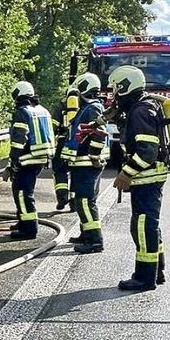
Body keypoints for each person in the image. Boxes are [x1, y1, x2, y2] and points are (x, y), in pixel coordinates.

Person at [107, 65, 170, 291]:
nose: (113, 94)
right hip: (149, 177)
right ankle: (157, 271)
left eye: (115, 89)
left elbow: (146, 151)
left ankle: (144, 278)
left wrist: (126, 173)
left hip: (147, 177)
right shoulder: (142, 107)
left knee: (143, 227)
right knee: (149, 225)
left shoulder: (141, 110)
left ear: (125, 87)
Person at [5, 81, 54, 239]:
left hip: (27, 159)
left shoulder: (22, 112)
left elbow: (18, 140)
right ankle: (23, 221)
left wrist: (12, 164)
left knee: (22, 193)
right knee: (21, 190)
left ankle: (29, 229)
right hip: (40, 158)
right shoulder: (42, 110)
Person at [65, 73, 107, 254]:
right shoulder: (89, 108)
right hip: (82, 164)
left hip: (86, 165)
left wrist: (93, 156)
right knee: (84, 200)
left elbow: (100, 133)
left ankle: (94, 240)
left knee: (85, 201)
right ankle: (86, 234)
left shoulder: (92, 109)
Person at [49, 84, 80, 210]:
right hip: (77, 143)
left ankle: (62, 197)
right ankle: (73, 202)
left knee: (60, 170)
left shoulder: (60, 106)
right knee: (75, 172)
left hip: (62, 143)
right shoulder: (83, 106)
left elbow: (53, 127)